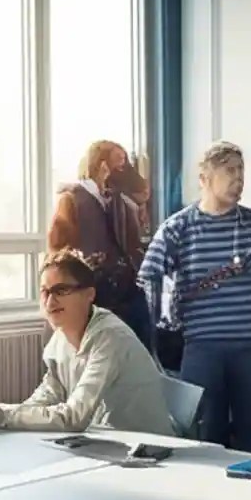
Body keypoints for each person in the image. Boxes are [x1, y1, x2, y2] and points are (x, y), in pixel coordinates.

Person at [138, 141, 251, 453]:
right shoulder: (178, 228)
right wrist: (162, 330)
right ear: (205, 179)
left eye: (241, 170)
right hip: (202, 348)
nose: (239, 179)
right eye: (230, 171)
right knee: (204, 439)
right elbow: (148, 279)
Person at [0, 249, 175, 435]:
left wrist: (1, 415)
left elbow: (74, 418)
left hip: (150, 452)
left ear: (89, 294)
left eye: (61, 290)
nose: (50, 301)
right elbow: (45, 398)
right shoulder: (60, 338)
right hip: (107, 444)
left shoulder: (110, 338)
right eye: (44, 292)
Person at [48, 140, 150, 347]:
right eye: (119, 160)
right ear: (102, 164)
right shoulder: (71, 199)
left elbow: (140, 190)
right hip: (90, 295)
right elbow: (58, 251)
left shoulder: (117, 202)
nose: (124, 167)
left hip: (121, 294)